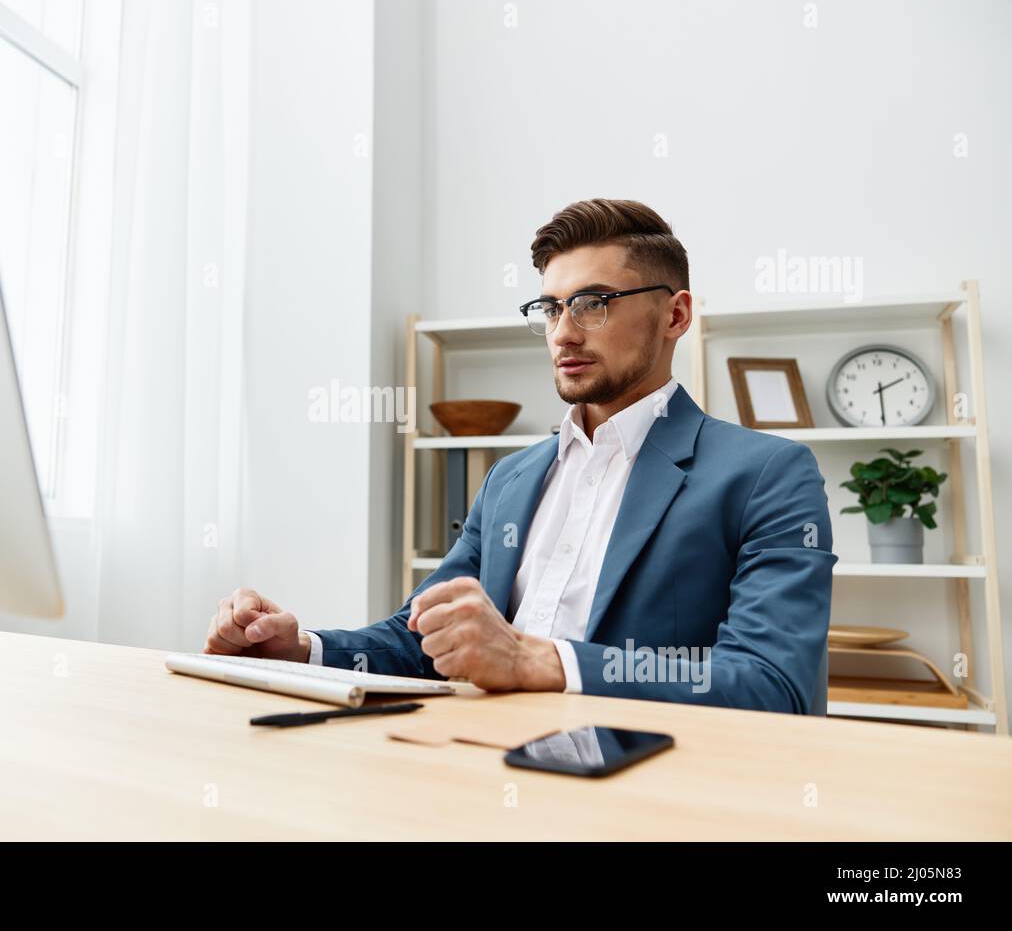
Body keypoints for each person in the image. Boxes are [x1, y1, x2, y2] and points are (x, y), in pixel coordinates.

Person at [204, 198, 835, 714]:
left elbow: (770, 684)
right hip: (479, 761)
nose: (563, 331)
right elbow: (420, 637)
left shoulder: (767, 474)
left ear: (675, 315)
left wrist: (541, 661)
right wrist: (301, 651)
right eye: (551, 307)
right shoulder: (513, 477)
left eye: (594, 303)